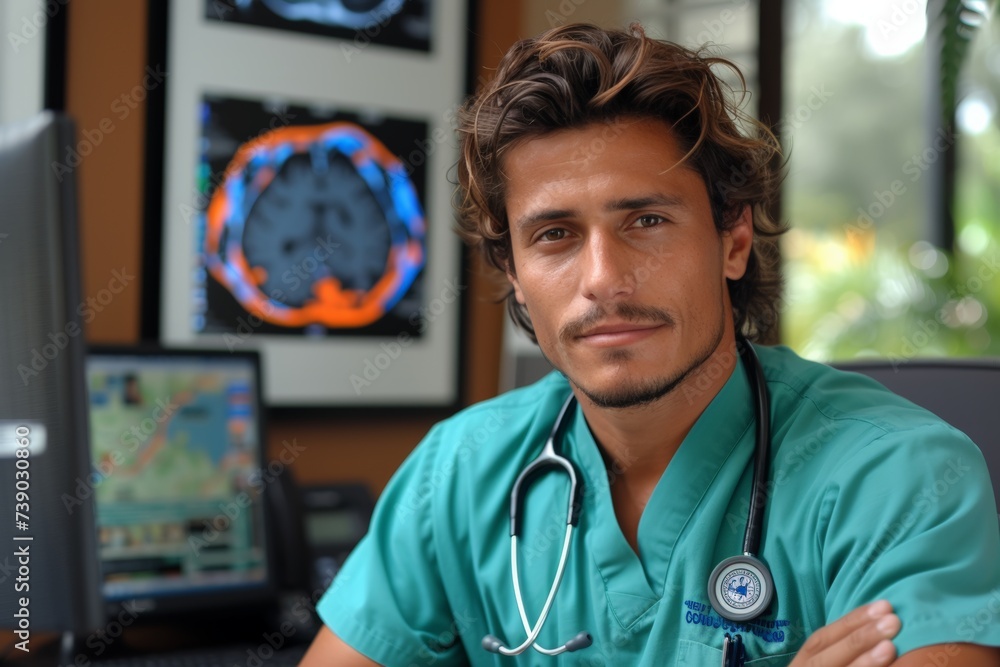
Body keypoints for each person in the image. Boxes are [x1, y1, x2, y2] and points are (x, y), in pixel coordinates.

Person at [300, 23, 1000, 666]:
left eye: (646, 219)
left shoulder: (897, 477)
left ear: (733, 239)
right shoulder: (457, 475)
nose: (603, 279)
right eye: (554, 235)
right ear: (514, 276)